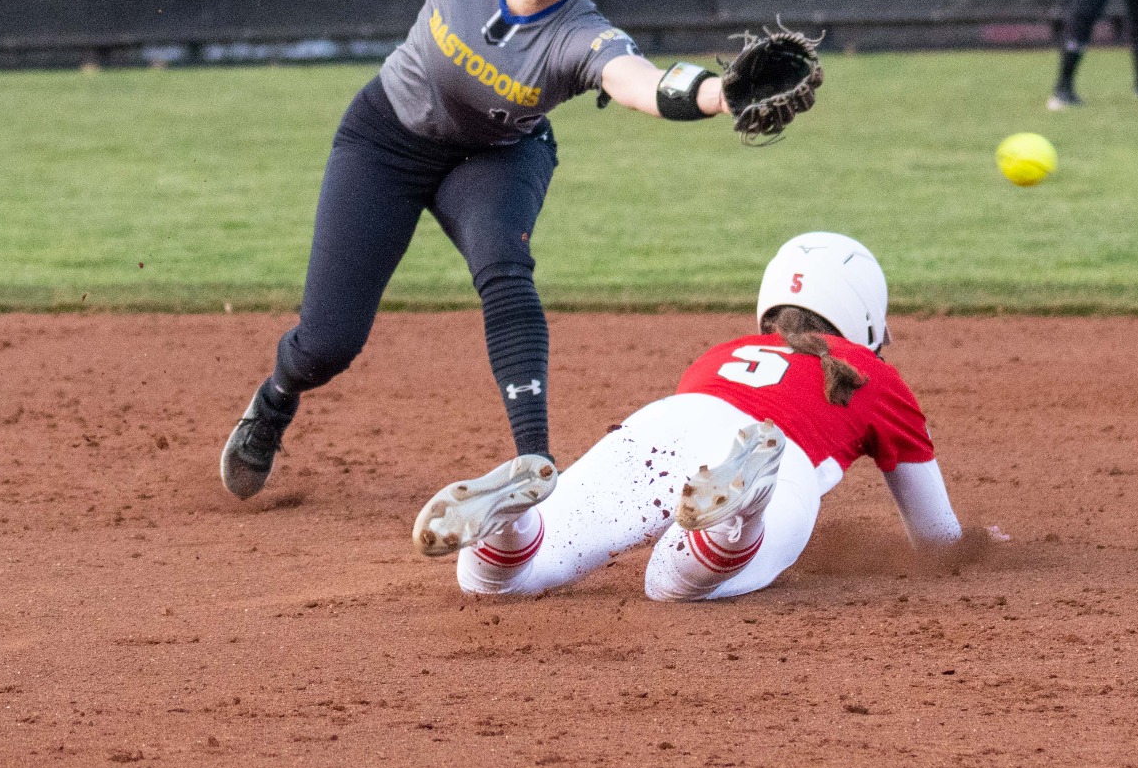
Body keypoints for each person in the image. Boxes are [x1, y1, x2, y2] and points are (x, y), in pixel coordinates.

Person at [220, 0, 765, 501]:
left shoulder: (581, 35)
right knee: (328, 341)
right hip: (385, 140)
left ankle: (535, 464)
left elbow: (636, 80)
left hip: (495, 158)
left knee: (505, 270)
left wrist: (718, 95)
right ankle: (276, 398)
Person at [411, 233, 980, 602]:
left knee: (507, 583)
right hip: (784, 458)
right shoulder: (872, 374)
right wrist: (970, 547)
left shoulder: (723, 354)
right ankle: (744, 512)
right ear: (863, 314)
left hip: (665, 423)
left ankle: (511, 523)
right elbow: (936, 537)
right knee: (669, 585)